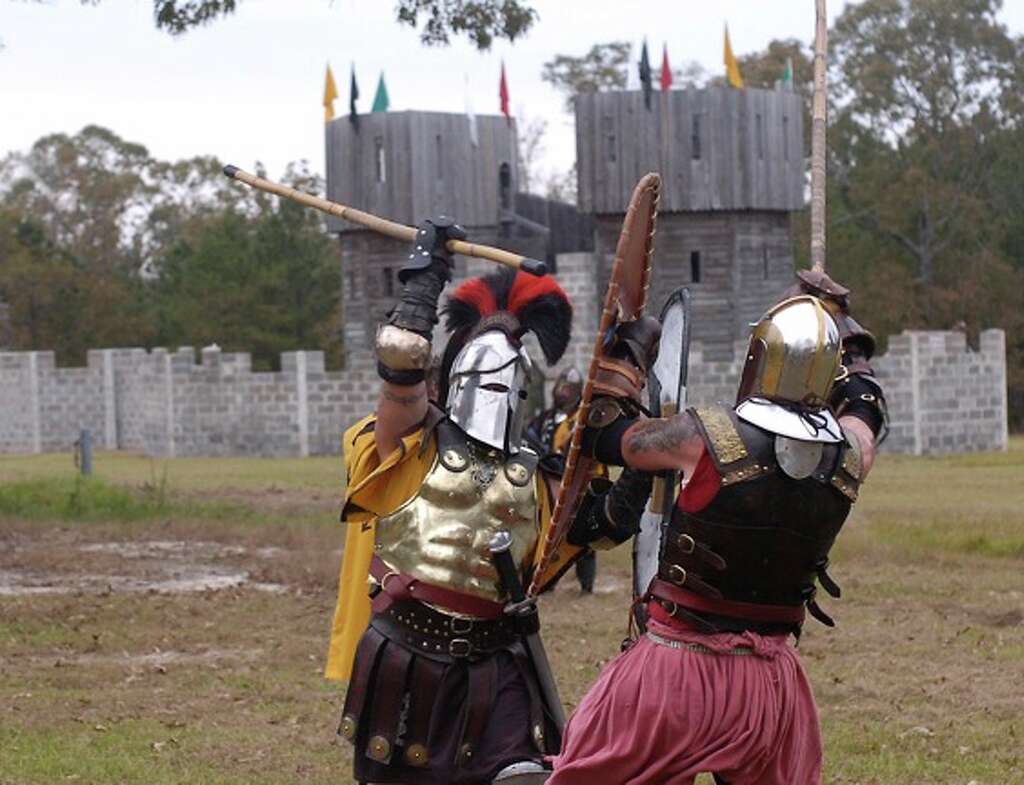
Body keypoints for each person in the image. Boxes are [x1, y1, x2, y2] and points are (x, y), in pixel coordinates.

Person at [324, 217, 654, 785]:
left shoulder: (535, 476)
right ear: (451, 380)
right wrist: (424, 280)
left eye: (507, 383)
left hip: (499, 662)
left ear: (526, 392)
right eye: (484, 378)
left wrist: (645, 455)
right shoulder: (411, 446)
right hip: (406, 652)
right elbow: (402, 364)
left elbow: (604, 524)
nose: (495, 394)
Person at [547, 292, 887, 785]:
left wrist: (628, 354)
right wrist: (850, 346)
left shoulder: (702, 436)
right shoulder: (852, 452)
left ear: (760, 357)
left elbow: (604, 433)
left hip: (677, 673)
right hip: (771, 686)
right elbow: (865, 407)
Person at [524, 368, 601, 595]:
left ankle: (586, 586)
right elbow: (530, 440)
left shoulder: (583, 419)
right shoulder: (545, 418)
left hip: (578, 485)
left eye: (567, 388)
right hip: (547, 484)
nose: (561, 392)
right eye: (560, 387)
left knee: (583, 536)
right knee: (547, 534)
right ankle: (546, 581)